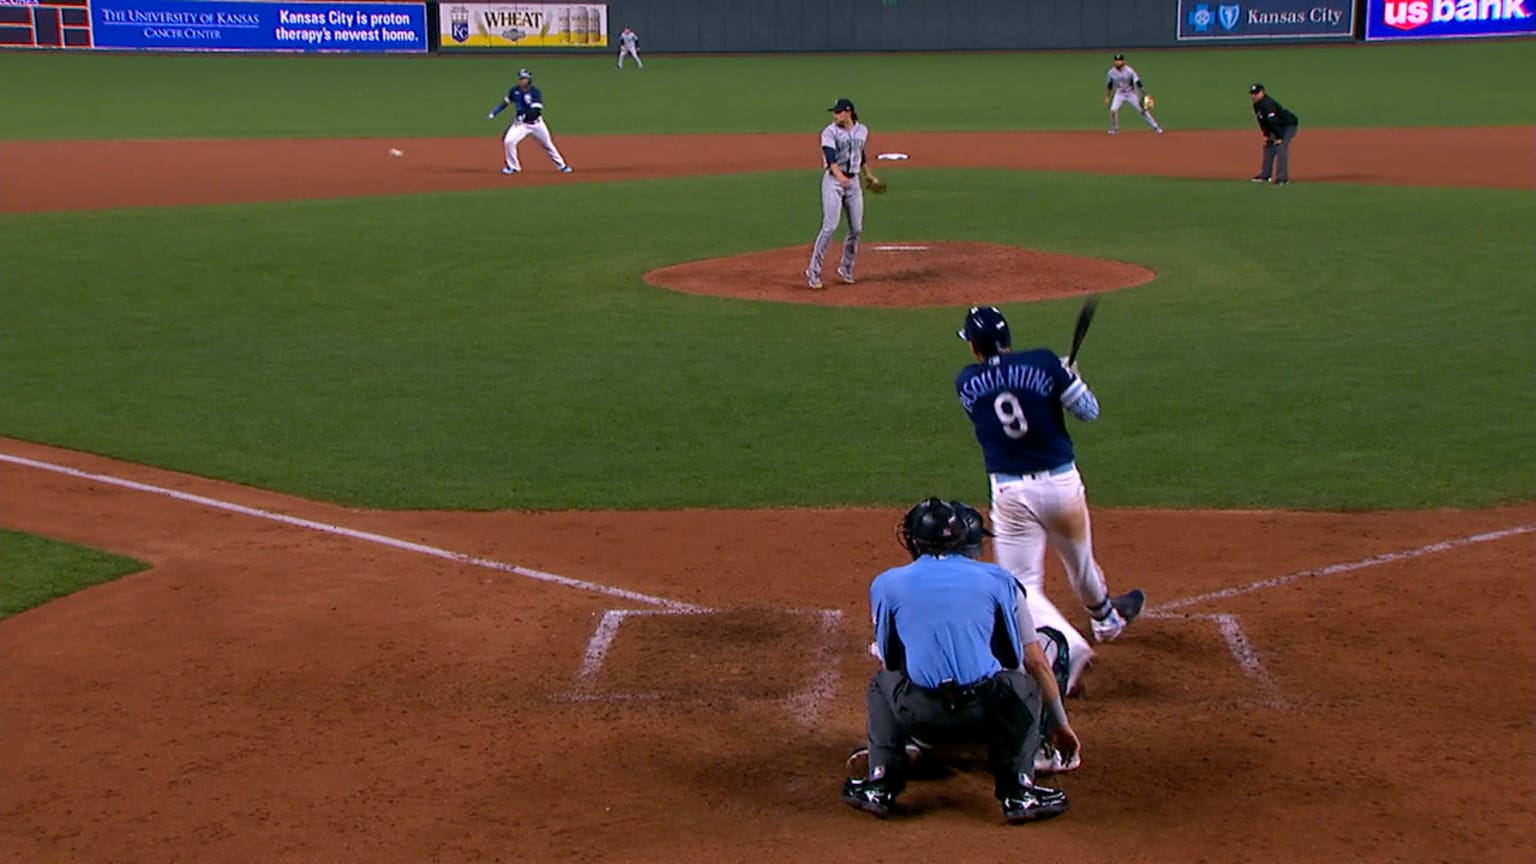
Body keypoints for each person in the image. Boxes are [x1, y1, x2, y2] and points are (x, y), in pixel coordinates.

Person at [842, 498, 1081, 824]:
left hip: (921, 716)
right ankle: (1019, 791)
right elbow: (1022, 660)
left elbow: (892, 661)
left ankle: (881, 783)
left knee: (882, 683)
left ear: (913, 539)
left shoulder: (887, 583)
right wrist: (1061, 725)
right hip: (985, 715)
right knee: (1022, 683)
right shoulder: (998, 579)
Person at [954, 305, 1146, 698]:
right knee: (1079, 560)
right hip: (1061, 486)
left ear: (974, 346)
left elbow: (1003, 397)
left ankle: (1083, 638)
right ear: (1007, 339)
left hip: (1010, 495)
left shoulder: (966, 382)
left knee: (1021, 585)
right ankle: (1101, 624)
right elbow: (1088, 412)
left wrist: (1048, 380)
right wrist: (1067, 378)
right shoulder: (1043, 362)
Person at [805, 97, 880, 290]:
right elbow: (830, 158)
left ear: (848, 112)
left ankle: (845, 268)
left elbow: (860, 154)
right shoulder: (829, 132)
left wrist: (869, 176)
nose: (835, 115)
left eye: (839, 112)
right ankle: (813, 271)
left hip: (853, 182)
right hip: (833, 182)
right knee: (830, 227)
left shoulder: (862, 130)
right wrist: (840, 177)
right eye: (834, 112)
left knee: (856, 228)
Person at [486, 68, 573, 175]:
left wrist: (524, 116)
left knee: (547, 145)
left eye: (524, 78)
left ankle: (562, 166)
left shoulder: (535, 92)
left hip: (536, 124)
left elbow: (536, 111)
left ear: (529, 80)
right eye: (520, 78)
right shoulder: (514, 90)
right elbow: (505, 103)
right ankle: (513, 167)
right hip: (521, 125)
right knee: (509, 141)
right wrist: (494, 112)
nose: (521, 80)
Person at [1249, 83, 1299, 185]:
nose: (1254, 96)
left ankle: (1283, 178)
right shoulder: (1256, 105)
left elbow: (1273, 121)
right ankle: (1265, 175)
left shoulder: (1268, 104)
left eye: (1256, 93)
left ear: (1262, 92)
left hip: (1288, 125)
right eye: (1252, 93)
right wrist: (1266, 135)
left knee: (1281, 147)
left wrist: (1279, 137)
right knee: (1268, 147)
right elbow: (1262, 121)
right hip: (1276, 126)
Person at [1104, 53, 1163, 135]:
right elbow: (1110, 85)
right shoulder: (1111, 72)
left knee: (1142, 110)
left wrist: (1145, 93)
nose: (1118, 62)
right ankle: (1115, 129)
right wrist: (1107, 97)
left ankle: (1156, 127)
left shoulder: (1129, 71)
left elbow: (1138, 82)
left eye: (1120, 60)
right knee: (1113, 110)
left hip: (1131, 93)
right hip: (1119, 94)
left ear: (1123, 61)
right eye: (1116, 60)